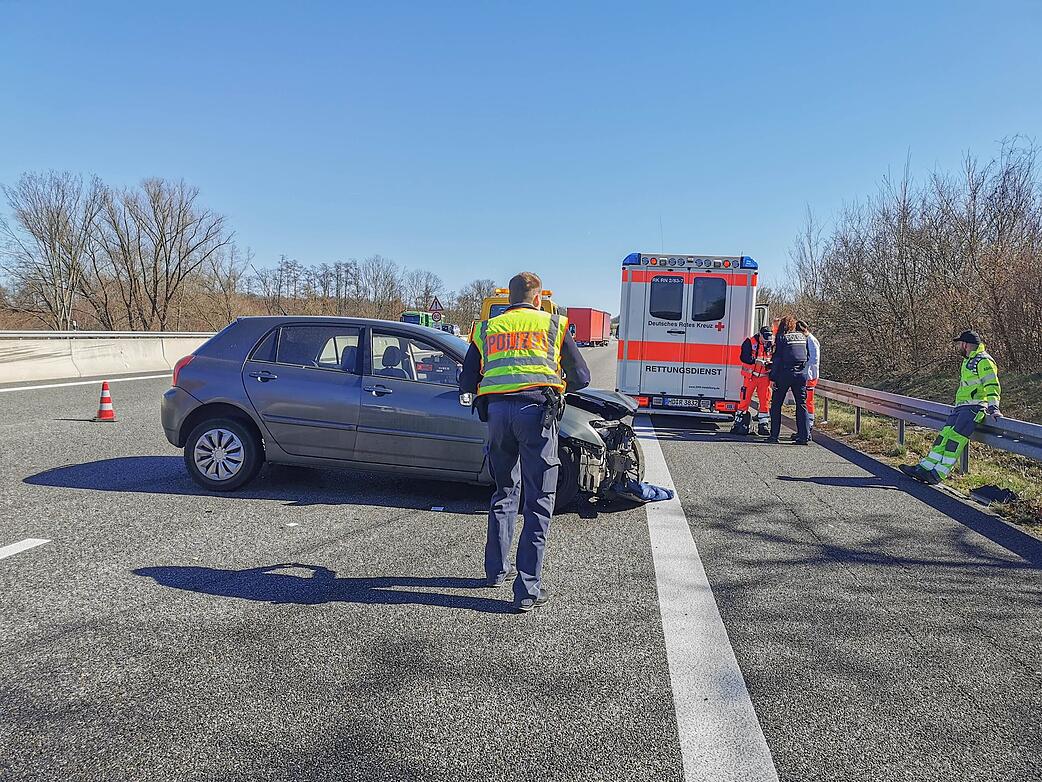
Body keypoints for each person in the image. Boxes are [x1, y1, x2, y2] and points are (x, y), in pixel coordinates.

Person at [459, 272, 591, 613]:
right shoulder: (553, 325)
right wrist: (557, 387)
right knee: (539, 499)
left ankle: (495, 572)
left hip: (499, 415)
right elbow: (582, 377)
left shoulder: (487, 328)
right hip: (536, 413)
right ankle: (527, 589)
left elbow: (467, 379)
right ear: (537, 298)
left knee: (504, 491)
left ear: (510, 298)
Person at [899, 330, 1001, 485]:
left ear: (966, 344)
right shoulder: (969, 360)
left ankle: (937, 474)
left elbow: (992, 385)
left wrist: (994, 408)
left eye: (960, 344)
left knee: (955, 441)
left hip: (974, 408)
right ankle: (924, 468)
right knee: (943, 437)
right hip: (961, 408)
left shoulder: (984, 361)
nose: (959, 346)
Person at [766, 315, 811, 444]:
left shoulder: (782, 338)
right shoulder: (803, 337)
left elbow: (777, 359)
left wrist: (773, 377)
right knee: (801, 404)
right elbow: (807, 355)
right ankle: (804, 436)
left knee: (776, 405)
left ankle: (774, 436)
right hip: (801, 374)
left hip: (785, 373)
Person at [730, 326, 773, 436]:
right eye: (764, 338)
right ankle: (739, 421)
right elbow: (744, 357)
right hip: (751, 377)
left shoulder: (770, 344)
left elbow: (773, 357)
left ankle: (763, 424)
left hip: (764, 377)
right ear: (760, 334)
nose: (766, 340)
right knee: (745, 399)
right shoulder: (749, 342)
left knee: (765, 400)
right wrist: (756, 361)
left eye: (768, 338)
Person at [793, 320, 820, 441]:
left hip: (810, 376)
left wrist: (801, 364)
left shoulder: (811, 341)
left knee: (808, 402)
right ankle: (804, 428)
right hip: (805, 375)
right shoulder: (807, 340)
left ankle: (808, 427)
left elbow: (813, 360)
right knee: (804, 402)